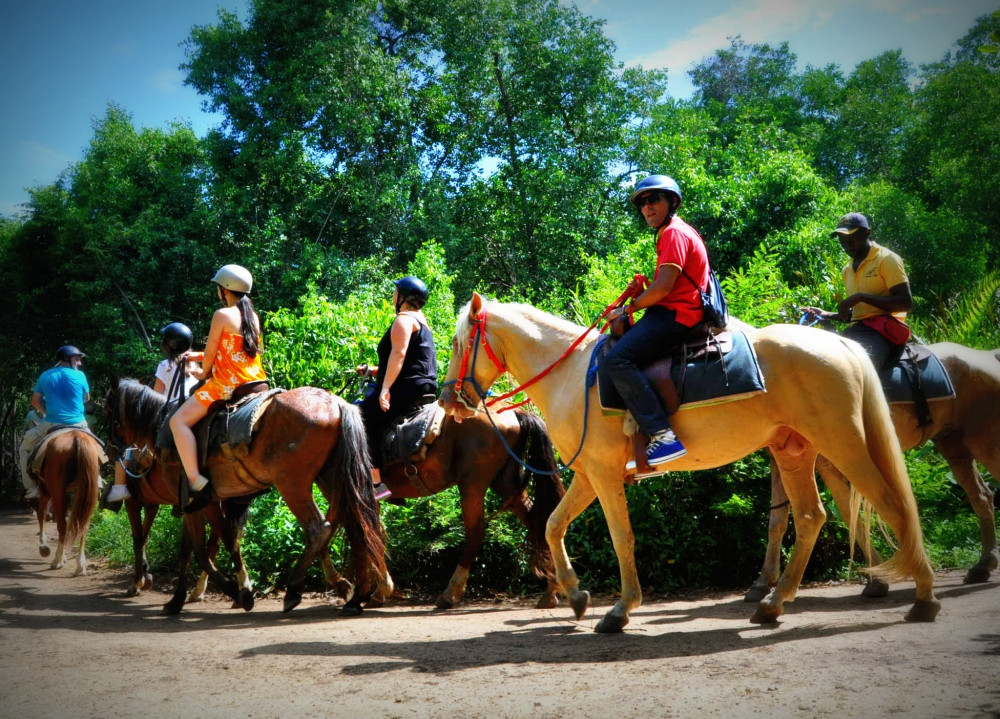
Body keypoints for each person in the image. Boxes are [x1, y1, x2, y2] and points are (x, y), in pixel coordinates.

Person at [600, 174, 709, 470]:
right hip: (676, 310)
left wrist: (628, 308)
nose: (647, 207)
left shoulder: (674, 233)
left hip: (677, 314)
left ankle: (663, 436)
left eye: (654, 200)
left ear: (671, 201)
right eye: (642, 203)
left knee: (617, 360)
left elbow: (663, 288)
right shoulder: (675, 232)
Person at [169, 265, 266, 502]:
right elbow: (235, 351)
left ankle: (195, 480)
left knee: (177, 421)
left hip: (227, 386)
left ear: (225, 290)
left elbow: (208, 369)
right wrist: (197, 355)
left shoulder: (221, 315)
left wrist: (195, 369)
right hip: (256, 382)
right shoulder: (252, 316)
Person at [357, 276, 438, 501]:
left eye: (395, 292)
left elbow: (399, 354)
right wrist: (375, 371)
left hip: (407, 388)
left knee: (360, 418)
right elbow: (412, 359)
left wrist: (384, 389)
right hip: (423, 386)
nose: (393, 296)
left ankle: (376, 482)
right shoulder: (422, 320)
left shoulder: (403, 319)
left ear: (403, 298)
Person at [801, 212, 913, 371]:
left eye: (853, 240)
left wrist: (861, 297)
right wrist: (826, 315)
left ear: (867, 233)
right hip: (858, 330)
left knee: (857, 371)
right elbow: (860, 313)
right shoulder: (847, 270)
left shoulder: (887, 259)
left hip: (884, 334)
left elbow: (905, 303)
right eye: (843, 242)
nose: (848, 246)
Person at [105, 323, 201, 503]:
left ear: (169, 344)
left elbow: (156, 396)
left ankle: (119, 488)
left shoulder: (165, 365)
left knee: (130, 447)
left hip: (169, 412)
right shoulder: (194, 363)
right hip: (192, 407)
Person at [19, 345, 92, 499]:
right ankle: (97, 480)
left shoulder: (45, 376)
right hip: (80, 425)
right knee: (101, 449)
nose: (80, 363)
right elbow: (86, 398)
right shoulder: (81, 376)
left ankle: (31, 488)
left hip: (51, 424)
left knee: (24, 449)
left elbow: (35, 401)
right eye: (77, 359)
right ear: (67, 358)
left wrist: (48, 412)